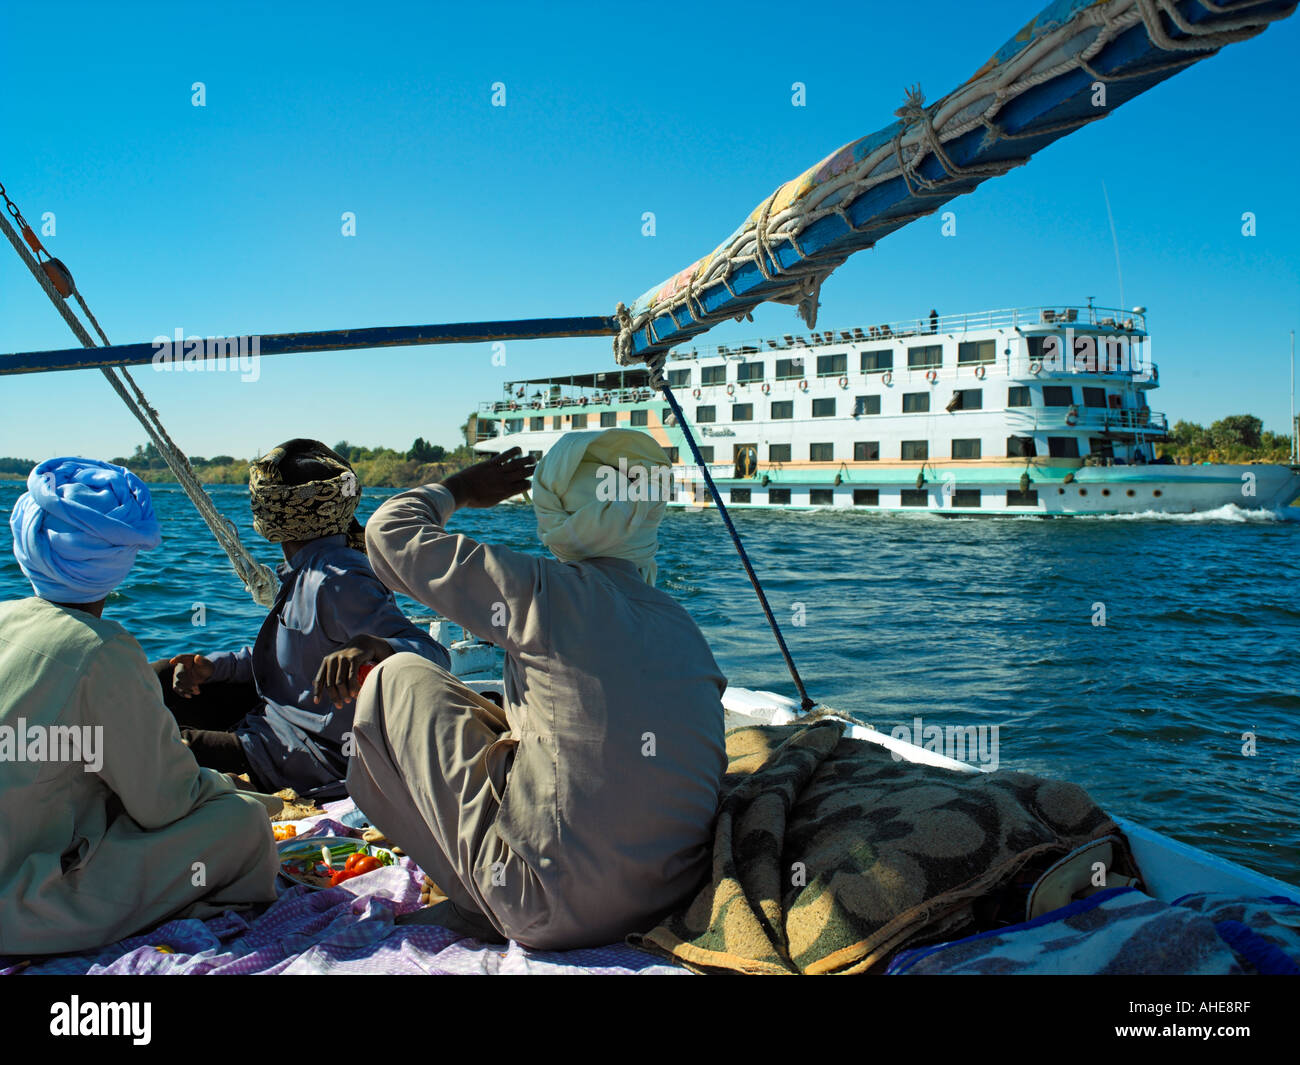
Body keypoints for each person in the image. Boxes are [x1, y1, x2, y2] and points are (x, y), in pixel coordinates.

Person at [347, 431, 728, 950]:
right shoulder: (680, 624)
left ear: (555, 516)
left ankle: (475, 901)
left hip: (550, 910)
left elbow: (389, 533)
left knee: (397, 677)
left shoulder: (544, 593)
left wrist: (460, 489)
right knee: (515, 720)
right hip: (671, 899)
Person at [0, 458, 278, 956]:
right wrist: (224, 789)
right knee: (241, 824)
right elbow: (164, 803)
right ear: (119, 561)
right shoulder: (102, 649)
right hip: (22, 907)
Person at [158, 439, 448, 798]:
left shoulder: (339, 581)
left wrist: (376, 646)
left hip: (303, 759)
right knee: (156, 680)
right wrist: (214, 667)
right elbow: (289, 662)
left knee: (154, 749)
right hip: (270, 726)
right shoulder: (309, 568)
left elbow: (434, 656)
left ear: (273, 511)